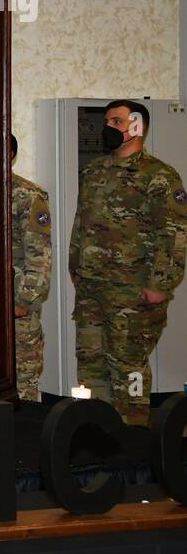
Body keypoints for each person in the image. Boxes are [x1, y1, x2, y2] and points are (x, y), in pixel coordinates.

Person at [69, 99, 186, 425]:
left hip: (133, 291)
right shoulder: (94, 171)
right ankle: (94, 434)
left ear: (137, 126)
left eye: (116, 121)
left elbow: (174, 235)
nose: (108, 127)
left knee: (127, 364)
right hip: (92, 288)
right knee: (89, 364)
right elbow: (82, 224)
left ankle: (132, 436)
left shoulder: (159, 176)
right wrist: (75, 268)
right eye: (107, 121)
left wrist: (161, 285)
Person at [9, 133, 52, 403]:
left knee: (22, 372)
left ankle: (26, 435)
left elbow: (39, 253)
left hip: (17, 301)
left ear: (10, 155)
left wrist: (24, 299)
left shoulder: (27, 194)